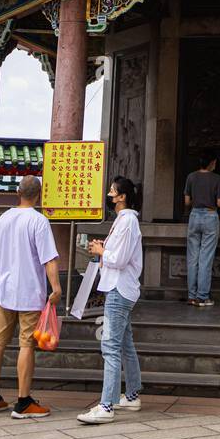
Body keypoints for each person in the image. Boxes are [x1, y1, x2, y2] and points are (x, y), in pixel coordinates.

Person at [0, 174, 61, 419]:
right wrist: (56, 288)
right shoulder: (39, 221)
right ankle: (24, 401)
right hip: (29, 293)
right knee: (26, 344)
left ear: (18, 192)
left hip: (5, 292)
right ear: (39, 194)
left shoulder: (4, 218)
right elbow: (49, 259)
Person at [77, 176, 143, 425]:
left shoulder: (127, 222)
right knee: (124, 343)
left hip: (119, 288)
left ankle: (107, 405)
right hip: (119, 287)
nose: (109, 194)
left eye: (112, 191)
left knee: (111, 346)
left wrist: (102, 251)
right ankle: (132, 394)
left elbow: (120, 258)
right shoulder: (124, 222)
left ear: (122, 197)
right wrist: (103, 248)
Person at [184, 151, 220, 308]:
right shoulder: (217, 179)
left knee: (192, 258)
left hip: (194, 216)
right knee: (205, 258)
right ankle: (202, 297)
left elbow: (187, 201)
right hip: (210, 215)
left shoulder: (191, 177)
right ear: (212, 163)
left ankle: (191, 296)